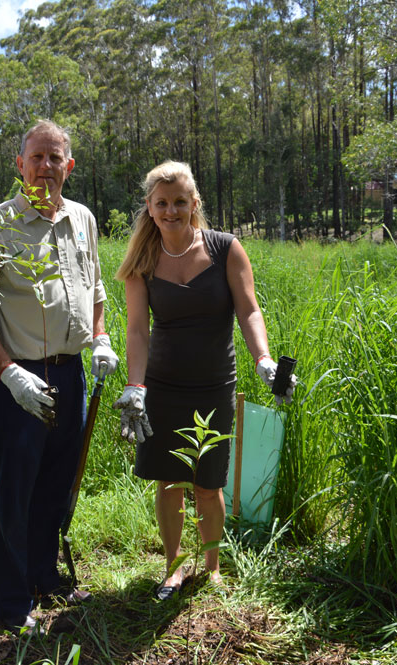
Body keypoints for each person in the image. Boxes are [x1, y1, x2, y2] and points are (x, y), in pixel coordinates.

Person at [0, 119, 119, 633]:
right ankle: (10, 602)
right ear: (20, 164)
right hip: (17, 383)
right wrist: (10, 375)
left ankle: (44, 576)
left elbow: (94, 291)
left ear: (68, 166)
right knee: (14, 491)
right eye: (36, 157)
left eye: (55, 158)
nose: (45, 167)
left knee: (55, 482)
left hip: (71, 377)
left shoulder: (83, 219)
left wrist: (100, 339)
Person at [113, 160, 294, 599]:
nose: (171, 211)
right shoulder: (141, 260)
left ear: (195, 203)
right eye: (162, 203)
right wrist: (136, 386)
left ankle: (211, 567)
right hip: (162, 386)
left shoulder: (224, 248)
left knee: (209, 484)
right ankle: (173, 567)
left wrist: (264, 359)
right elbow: (137, 331)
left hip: (214, 384)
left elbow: (249, 310)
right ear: (150, 207)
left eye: (180, 202)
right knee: (169, 482)